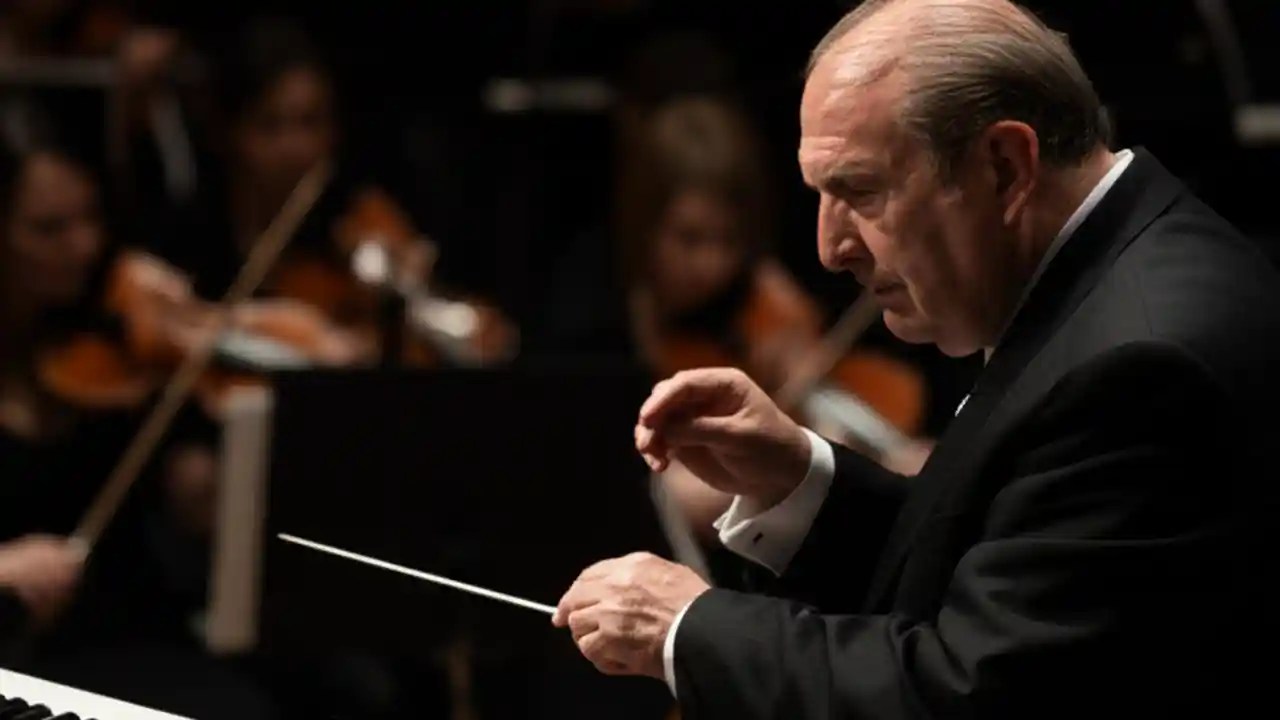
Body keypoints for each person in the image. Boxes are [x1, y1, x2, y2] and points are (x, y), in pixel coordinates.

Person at [550, 0, 1280, 717]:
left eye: (859, 192)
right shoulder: (1117, 273)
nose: (829, 249)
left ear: (1003, 165)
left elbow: (968, 691)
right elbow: (1002, 572)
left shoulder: (1138, 368)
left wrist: (688, 628)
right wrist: (798, 483)